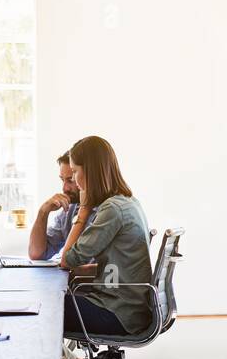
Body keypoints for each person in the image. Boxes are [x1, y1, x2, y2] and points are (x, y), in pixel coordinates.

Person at [60, 136, 154, 339]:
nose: (75, 180)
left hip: (117, 312)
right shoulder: (128, 202)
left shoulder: (112, 209)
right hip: (129, 309)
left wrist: (83, 210)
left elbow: (67, 259)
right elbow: (121, 267)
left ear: (90, 171)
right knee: (52, 302)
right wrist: (83, 270)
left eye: (75, 171)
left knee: (45, 306)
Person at [29, 151, 97, 261]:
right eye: (62, 179)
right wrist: (43, 212)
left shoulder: (107, 210)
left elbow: (74, 262)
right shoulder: (70, 209)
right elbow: (36, 254)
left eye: (70, 180)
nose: (65, 188)